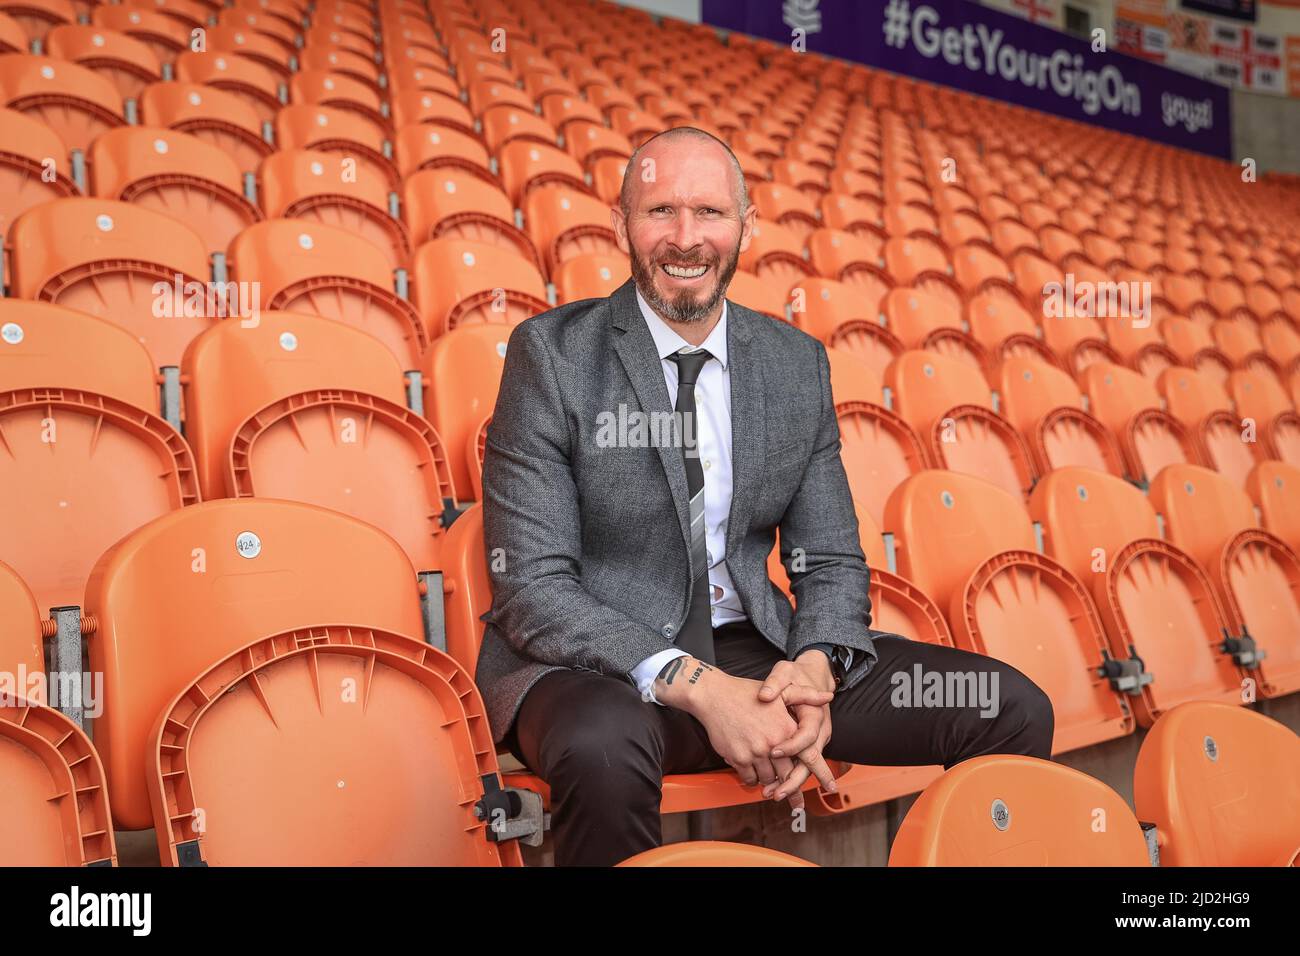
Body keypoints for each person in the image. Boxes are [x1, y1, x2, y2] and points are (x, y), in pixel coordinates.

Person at [477, 126, 1054, 866]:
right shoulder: (551, 356)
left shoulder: (793, 364)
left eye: (711, 214)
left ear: (746, 226)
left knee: (1004, 706)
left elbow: (833, 562)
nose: (686, 239)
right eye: (661, 212)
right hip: (598, 670)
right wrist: (701, 689)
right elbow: (533, 587)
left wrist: (814, 670)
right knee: (600, 749)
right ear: (621, 225)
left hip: (759, 654)